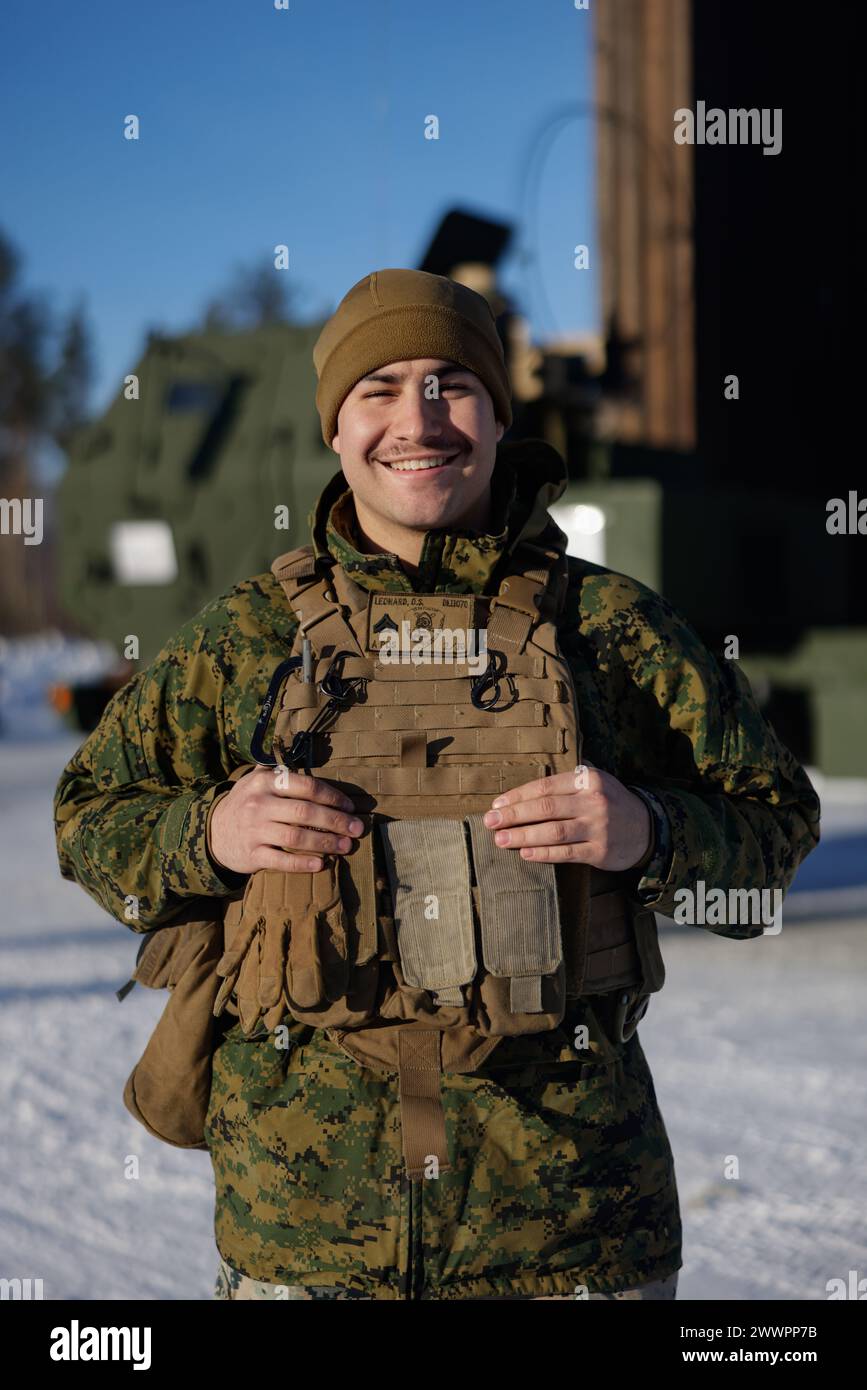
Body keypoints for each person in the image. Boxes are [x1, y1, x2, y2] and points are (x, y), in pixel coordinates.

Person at [54, 269, 820, 1301]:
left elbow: (777, 830)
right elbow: (87, 820)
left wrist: (653, 831)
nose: (418, 419)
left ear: (500, 416)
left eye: (452, 383)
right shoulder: (245, 639)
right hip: (307, 1244)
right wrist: (208, 835)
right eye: (379, 387)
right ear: (334, 428)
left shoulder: (615, 629)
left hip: (574, 1237)